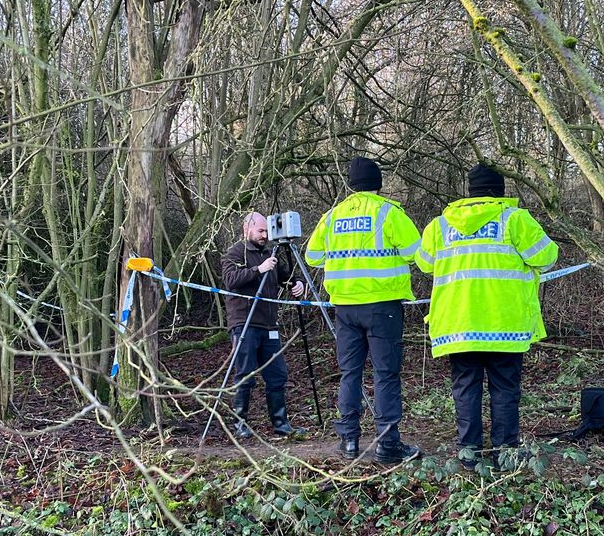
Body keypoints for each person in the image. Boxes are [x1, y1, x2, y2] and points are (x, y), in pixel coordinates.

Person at [414, 163, 558, 470]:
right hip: (504, 324)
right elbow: (547, 258)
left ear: (470, 190)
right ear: (500, 191)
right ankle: (506, 452)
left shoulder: (440, 226)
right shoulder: (515, 220)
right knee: (505, 388)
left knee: (465, 387)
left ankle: (469, 453)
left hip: (458, 324)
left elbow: (424, 263)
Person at [305, 156, 422, 463]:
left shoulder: (333, 216)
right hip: (383, 306)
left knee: (350, 374)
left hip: (344, 307)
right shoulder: (388, 212)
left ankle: (349, 442)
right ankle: (387, 444)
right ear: (378, 183)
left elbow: (313, 256)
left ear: (351, 184)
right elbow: (417, 254)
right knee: (385, 374)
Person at [221, 212, 306, 438]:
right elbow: (230, 280)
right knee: (245, 374)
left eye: (267, 231)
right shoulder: (235, 253)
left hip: (269, 325)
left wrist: (297, 284)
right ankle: (240, 424)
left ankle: (281, 423)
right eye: (260, 231)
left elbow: (286, 277)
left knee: (277, 374)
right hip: (244, 323)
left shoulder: (271, 253)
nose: (265, 236)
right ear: (247, 229)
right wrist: (258, 269)